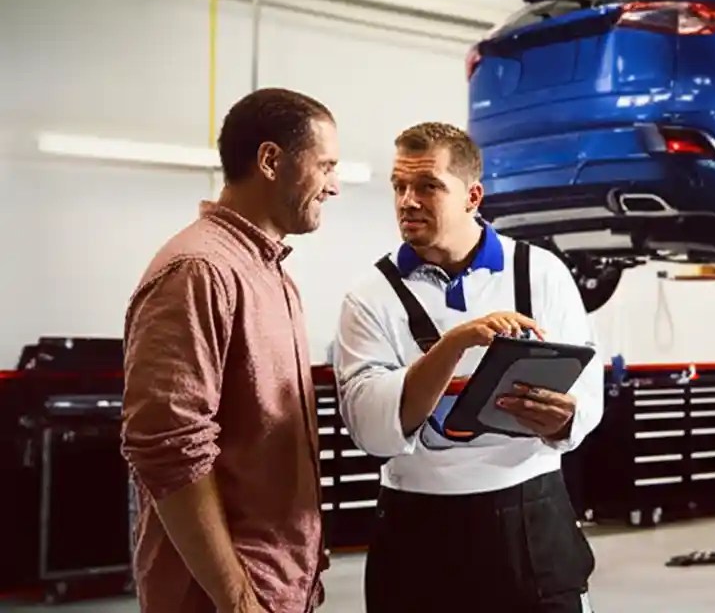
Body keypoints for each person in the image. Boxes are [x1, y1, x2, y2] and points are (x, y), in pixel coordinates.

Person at [332, 122, 604, 613]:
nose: (407, 201)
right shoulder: (368, 296)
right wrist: (455, 343)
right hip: (418, 529)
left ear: (472, 196)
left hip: (532, 518)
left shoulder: (542, 274)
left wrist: (566, 418)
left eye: (428, 186)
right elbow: (370, 429)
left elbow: (588, 394)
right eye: (399, 186)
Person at [120, 87, 341, 613]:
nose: (334, 186)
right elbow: (168, 450)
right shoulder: (199, 270)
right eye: (326, 166)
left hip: (279, 585)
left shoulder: (273, 275)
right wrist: (238, 599)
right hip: (222, 598)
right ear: (270, 160)